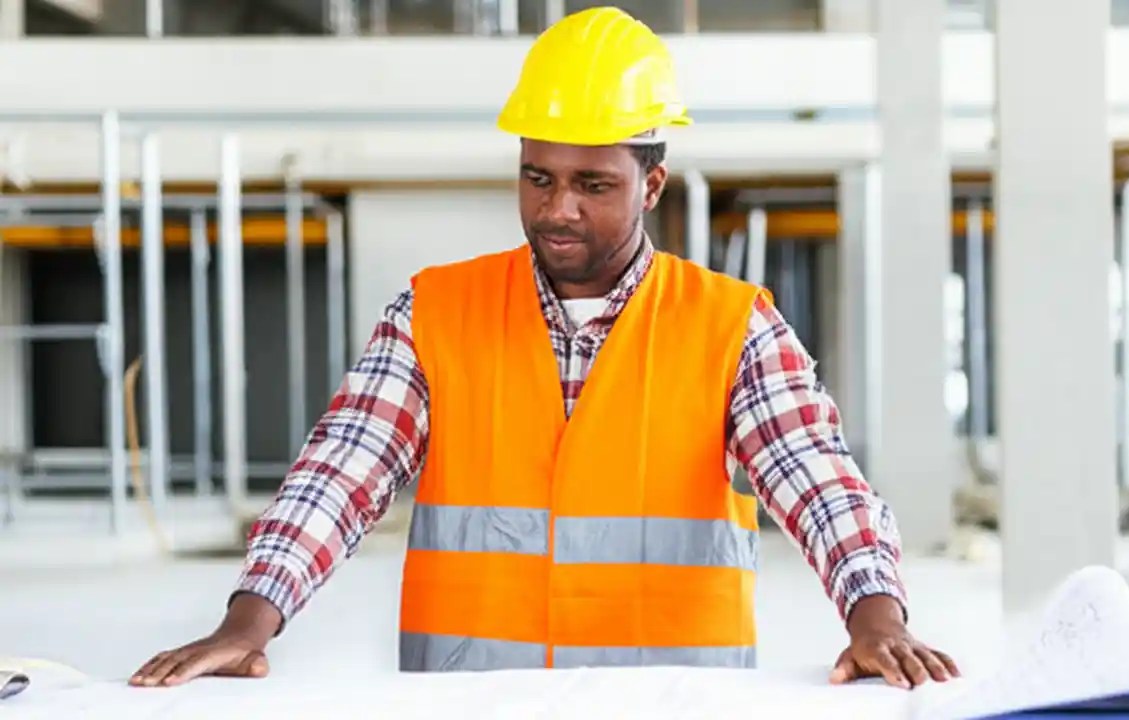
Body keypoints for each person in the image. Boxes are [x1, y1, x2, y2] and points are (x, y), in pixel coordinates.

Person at [129, 6, 957, 691]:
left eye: (593, 185)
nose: (558, 209)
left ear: (651, 184)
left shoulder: (732, 325)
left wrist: (875, 613)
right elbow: (343, 470)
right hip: (473, 700)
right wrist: (249, 618)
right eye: (538, 177)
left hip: (674, 703)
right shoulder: (434, 310)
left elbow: (817, 480)